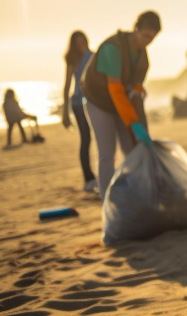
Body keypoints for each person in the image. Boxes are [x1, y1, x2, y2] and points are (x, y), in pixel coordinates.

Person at [81, 11, 159, 198]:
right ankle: (107, 201)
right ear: (136, 29)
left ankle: (137, 194)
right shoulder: (113, 48)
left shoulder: (142, 57)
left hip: (119, 102)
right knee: (107, 152)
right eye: (145, 35)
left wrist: (141, 130)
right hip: (98, 101)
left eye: (152, 37)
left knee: (132, 148)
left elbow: (135, 89)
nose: (148, 41)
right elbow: (116, 91)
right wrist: (134, 123)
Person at [62, 30, 98, 192]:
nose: (81, 45)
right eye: (77, 42)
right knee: (86, 137)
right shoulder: (72, 60)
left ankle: (98, 175)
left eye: (83, 41)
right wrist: (65, 112)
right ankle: (88, 178)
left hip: (93, 100)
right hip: (77, 102)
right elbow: (67, 85)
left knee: (97, 136)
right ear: (73, 45)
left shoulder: (94, 55)